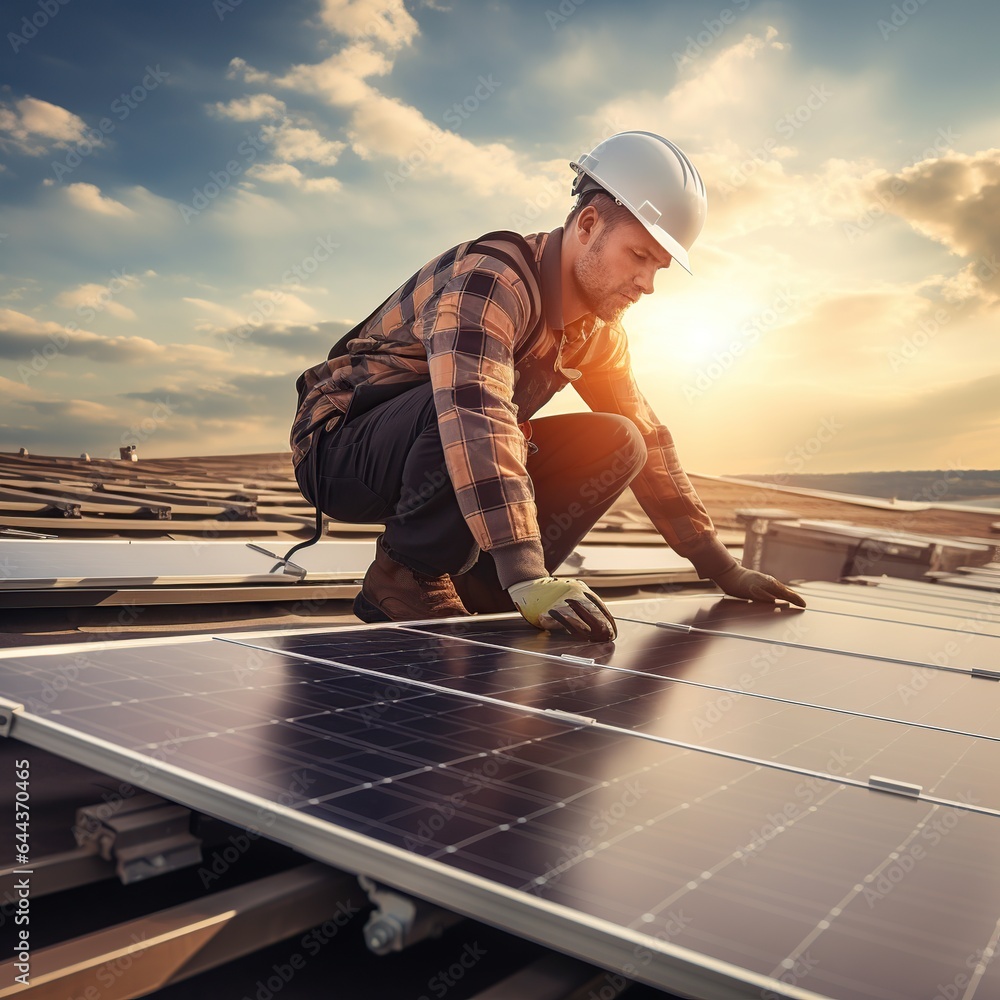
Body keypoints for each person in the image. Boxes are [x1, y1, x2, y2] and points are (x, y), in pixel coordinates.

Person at [290, 130, 805, 643]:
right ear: (587, 224)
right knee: (476, 407)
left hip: (438, 452)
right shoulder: (491, 279)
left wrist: (720, 566)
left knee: (621, 439)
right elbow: (477, 413)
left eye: (660, 268)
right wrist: (528, 571)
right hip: (343, 451)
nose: (648, 284)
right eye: (639, 256)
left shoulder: (598, 332)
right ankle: (407, 575)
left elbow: (649, 438)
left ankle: (484, 589)